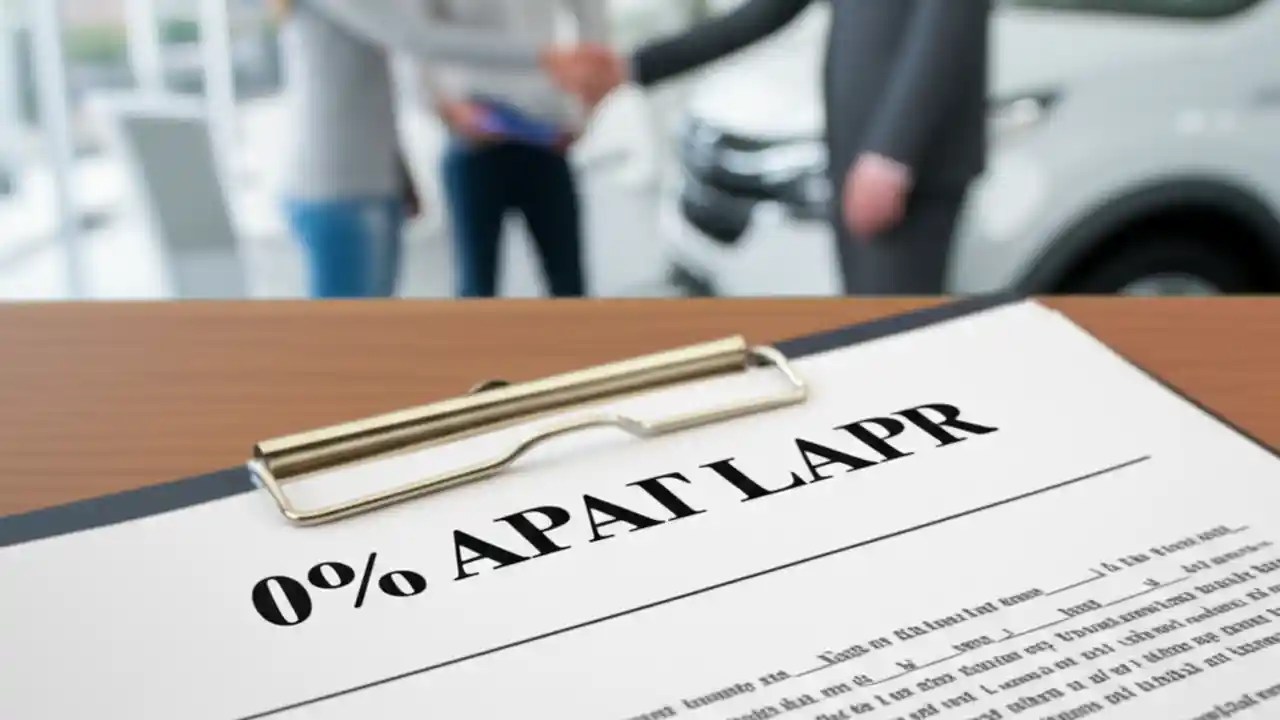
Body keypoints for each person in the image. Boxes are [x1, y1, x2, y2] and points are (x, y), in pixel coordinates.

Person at [550, 0, 991, 296]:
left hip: (908, 167)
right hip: (855, 152)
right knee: (870, 332)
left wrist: (892, 156)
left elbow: (951, 20)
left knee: (898, 341)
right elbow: (768, 11)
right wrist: (634, 67)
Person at [270, 0, 584, 298]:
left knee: (368, 322)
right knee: (351, 331)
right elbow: (416, 37)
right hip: (338, 187)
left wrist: (400, 175)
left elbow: (365, 92)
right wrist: (546, 57)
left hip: (369, 181)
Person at [415, 0, 609, 298]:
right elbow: (412, 38)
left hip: (544, 133)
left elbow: (592, 15)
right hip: (474, 139)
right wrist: (446, 108)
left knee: (569, 287)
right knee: (477, 290)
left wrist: (583, 109)